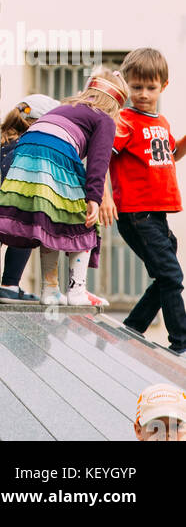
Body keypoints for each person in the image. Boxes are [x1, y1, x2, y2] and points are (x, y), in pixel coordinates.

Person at [0, 73, 128, 306]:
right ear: (116, 105)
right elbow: (99, 161)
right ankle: (77, 291)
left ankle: (50, 290)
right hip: (57, 152)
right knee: (84, 223)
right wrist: (94, 198)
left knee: (49, 218)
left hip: (26, 149)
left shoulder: (66, 107)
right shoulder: (105, 119)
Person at [109, 47, 186, 355]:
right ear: (127, 84)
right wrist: (102, 198)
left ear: (163, 86)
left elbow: (171, 155)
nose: (142, 93)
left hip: (158, 212)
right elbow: (103, 156)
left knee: (166, 273)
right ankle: (181, 343)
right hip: (136, 212)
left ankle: (133, 326)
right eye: (136, 87)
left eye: (150, 87)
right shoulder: (125, 121)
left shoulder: (161, 122)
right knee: (171, 276)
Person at [0, 95, 58, 303]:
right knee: (27, 224)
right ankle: (9, 285)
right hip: (12, 207)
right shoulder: (30, 145)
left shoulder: (2, 142)